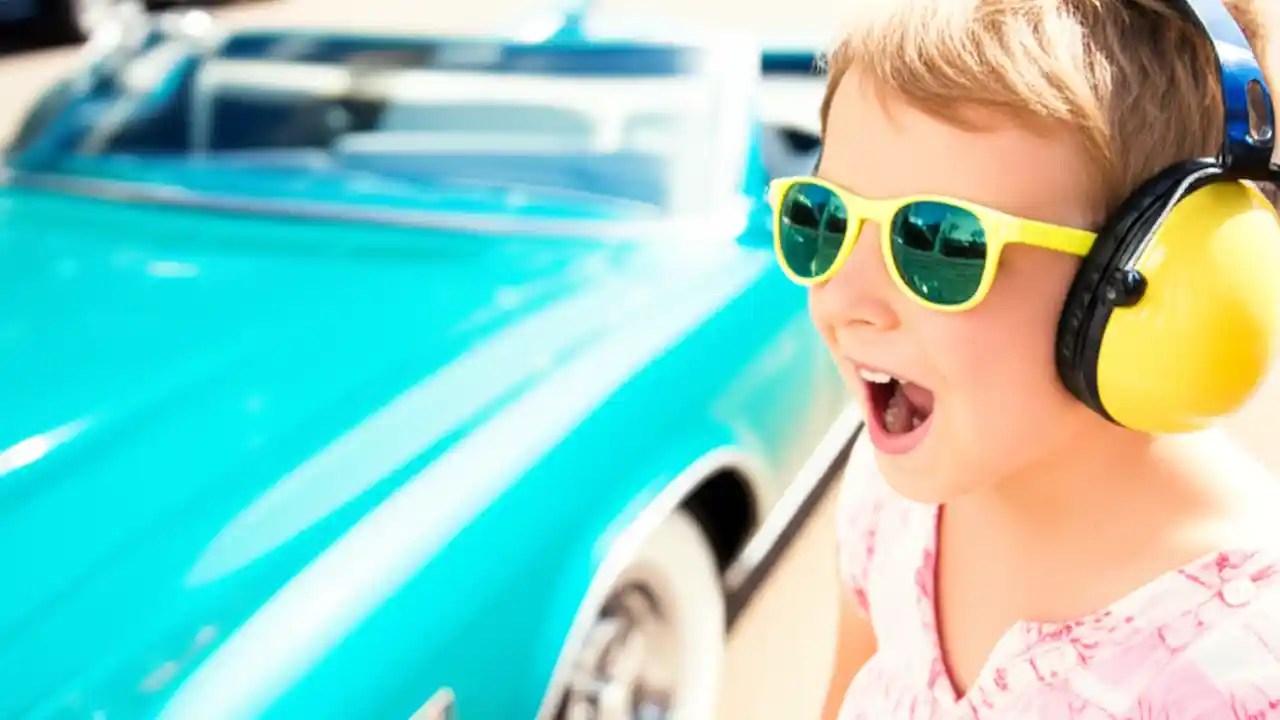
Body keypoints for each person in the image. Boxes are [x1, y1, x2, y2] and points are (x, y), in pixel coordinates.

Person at [772, 1, 1280, 717]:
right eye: (820, 218)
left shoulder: (1242, 673)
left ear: (1146, 281)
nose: (844, 298)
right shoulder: (892, 505)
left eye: (942, 242)